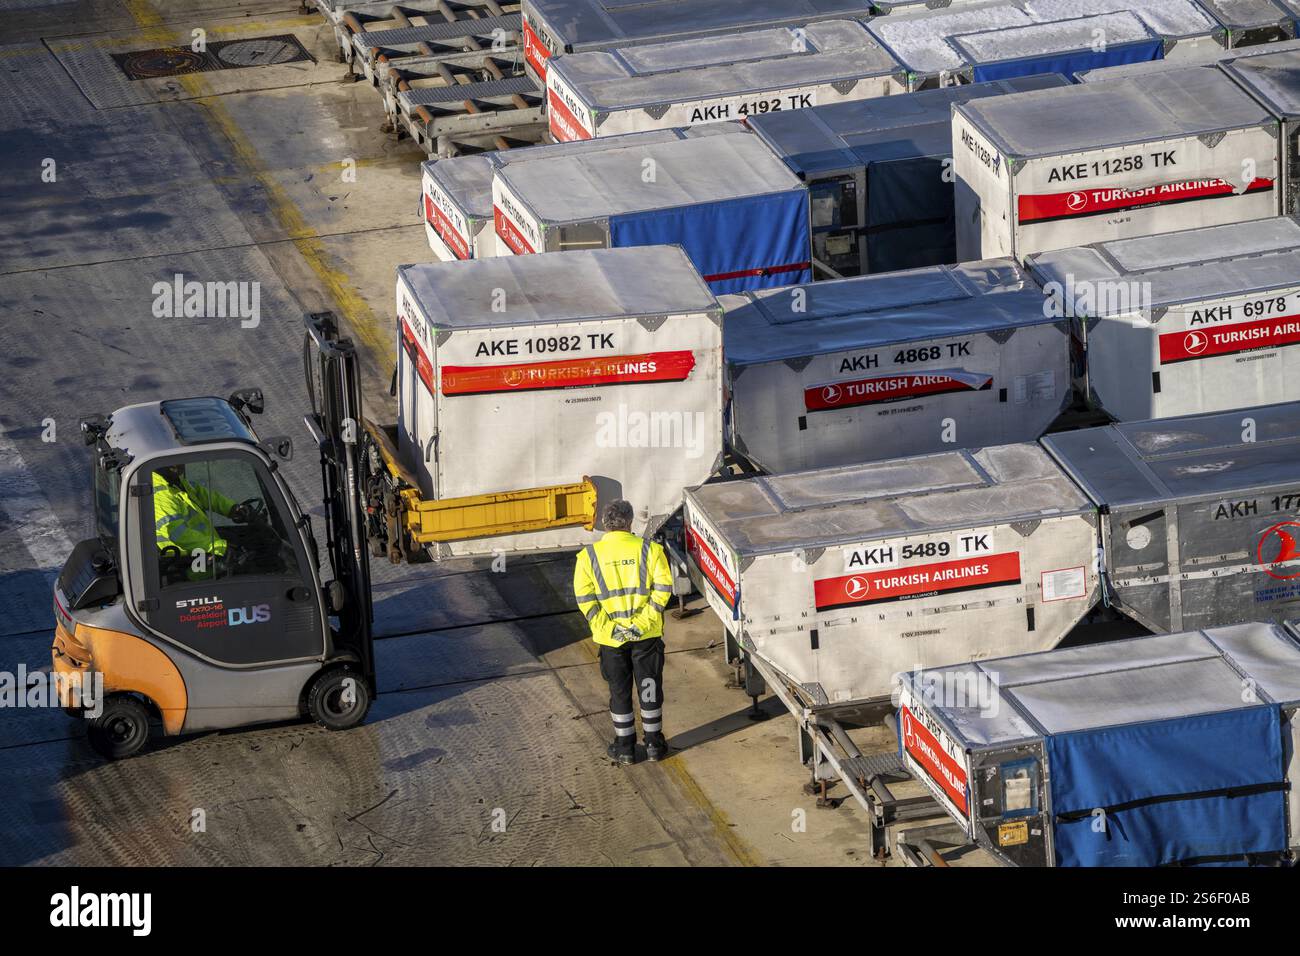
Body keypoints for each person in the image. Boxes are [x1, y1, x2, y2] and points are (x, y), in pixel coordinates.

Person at [574, 499, 674, 765]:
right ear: (629, 523)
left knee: (619, 690)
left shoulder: (588, 557)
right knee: (649, 687)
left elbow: (585, 600)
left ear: (605, 525)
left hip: (611, 640)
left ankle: (625, 748)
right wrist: (641, 624)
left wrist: (610, 629)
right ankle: (654, 744)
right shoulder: (650, 550)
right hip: (646, 636)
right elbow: (663, 589)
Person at [152, 464, 250, 577]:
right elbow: (178, 535)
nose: (181, 465)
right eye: (175, 463)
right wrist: (221, 548)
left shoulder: (176, 483)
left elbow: (204, 495)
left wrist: (233, 509)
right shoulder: (161, 495)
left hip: (205, 553)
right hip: (190, 565)